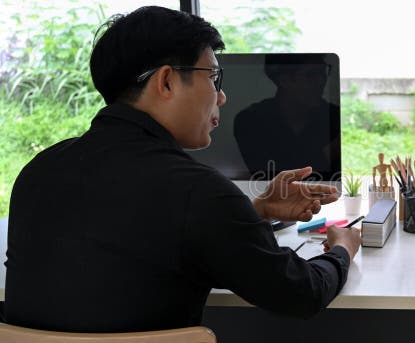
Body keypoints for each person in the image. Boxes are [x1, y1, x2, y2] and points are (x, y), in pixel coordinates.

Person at [3, 6, 362, 333]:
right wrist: (341, 249)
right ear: (167, 81)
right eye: (213, 78)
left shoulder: (38, 171)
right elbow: (300, 294)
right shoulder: (198, 191)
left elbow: (139, 239)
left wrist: (255, 213)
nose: (221, 96)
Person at [234, 54, 339, 174]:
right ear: (284, 80)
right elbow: (269, 178)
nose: (321, 81)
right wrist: (331, 151)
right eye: (311, 75)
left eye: (323, 72)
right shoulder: (250, 121)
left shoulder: (334, 116)